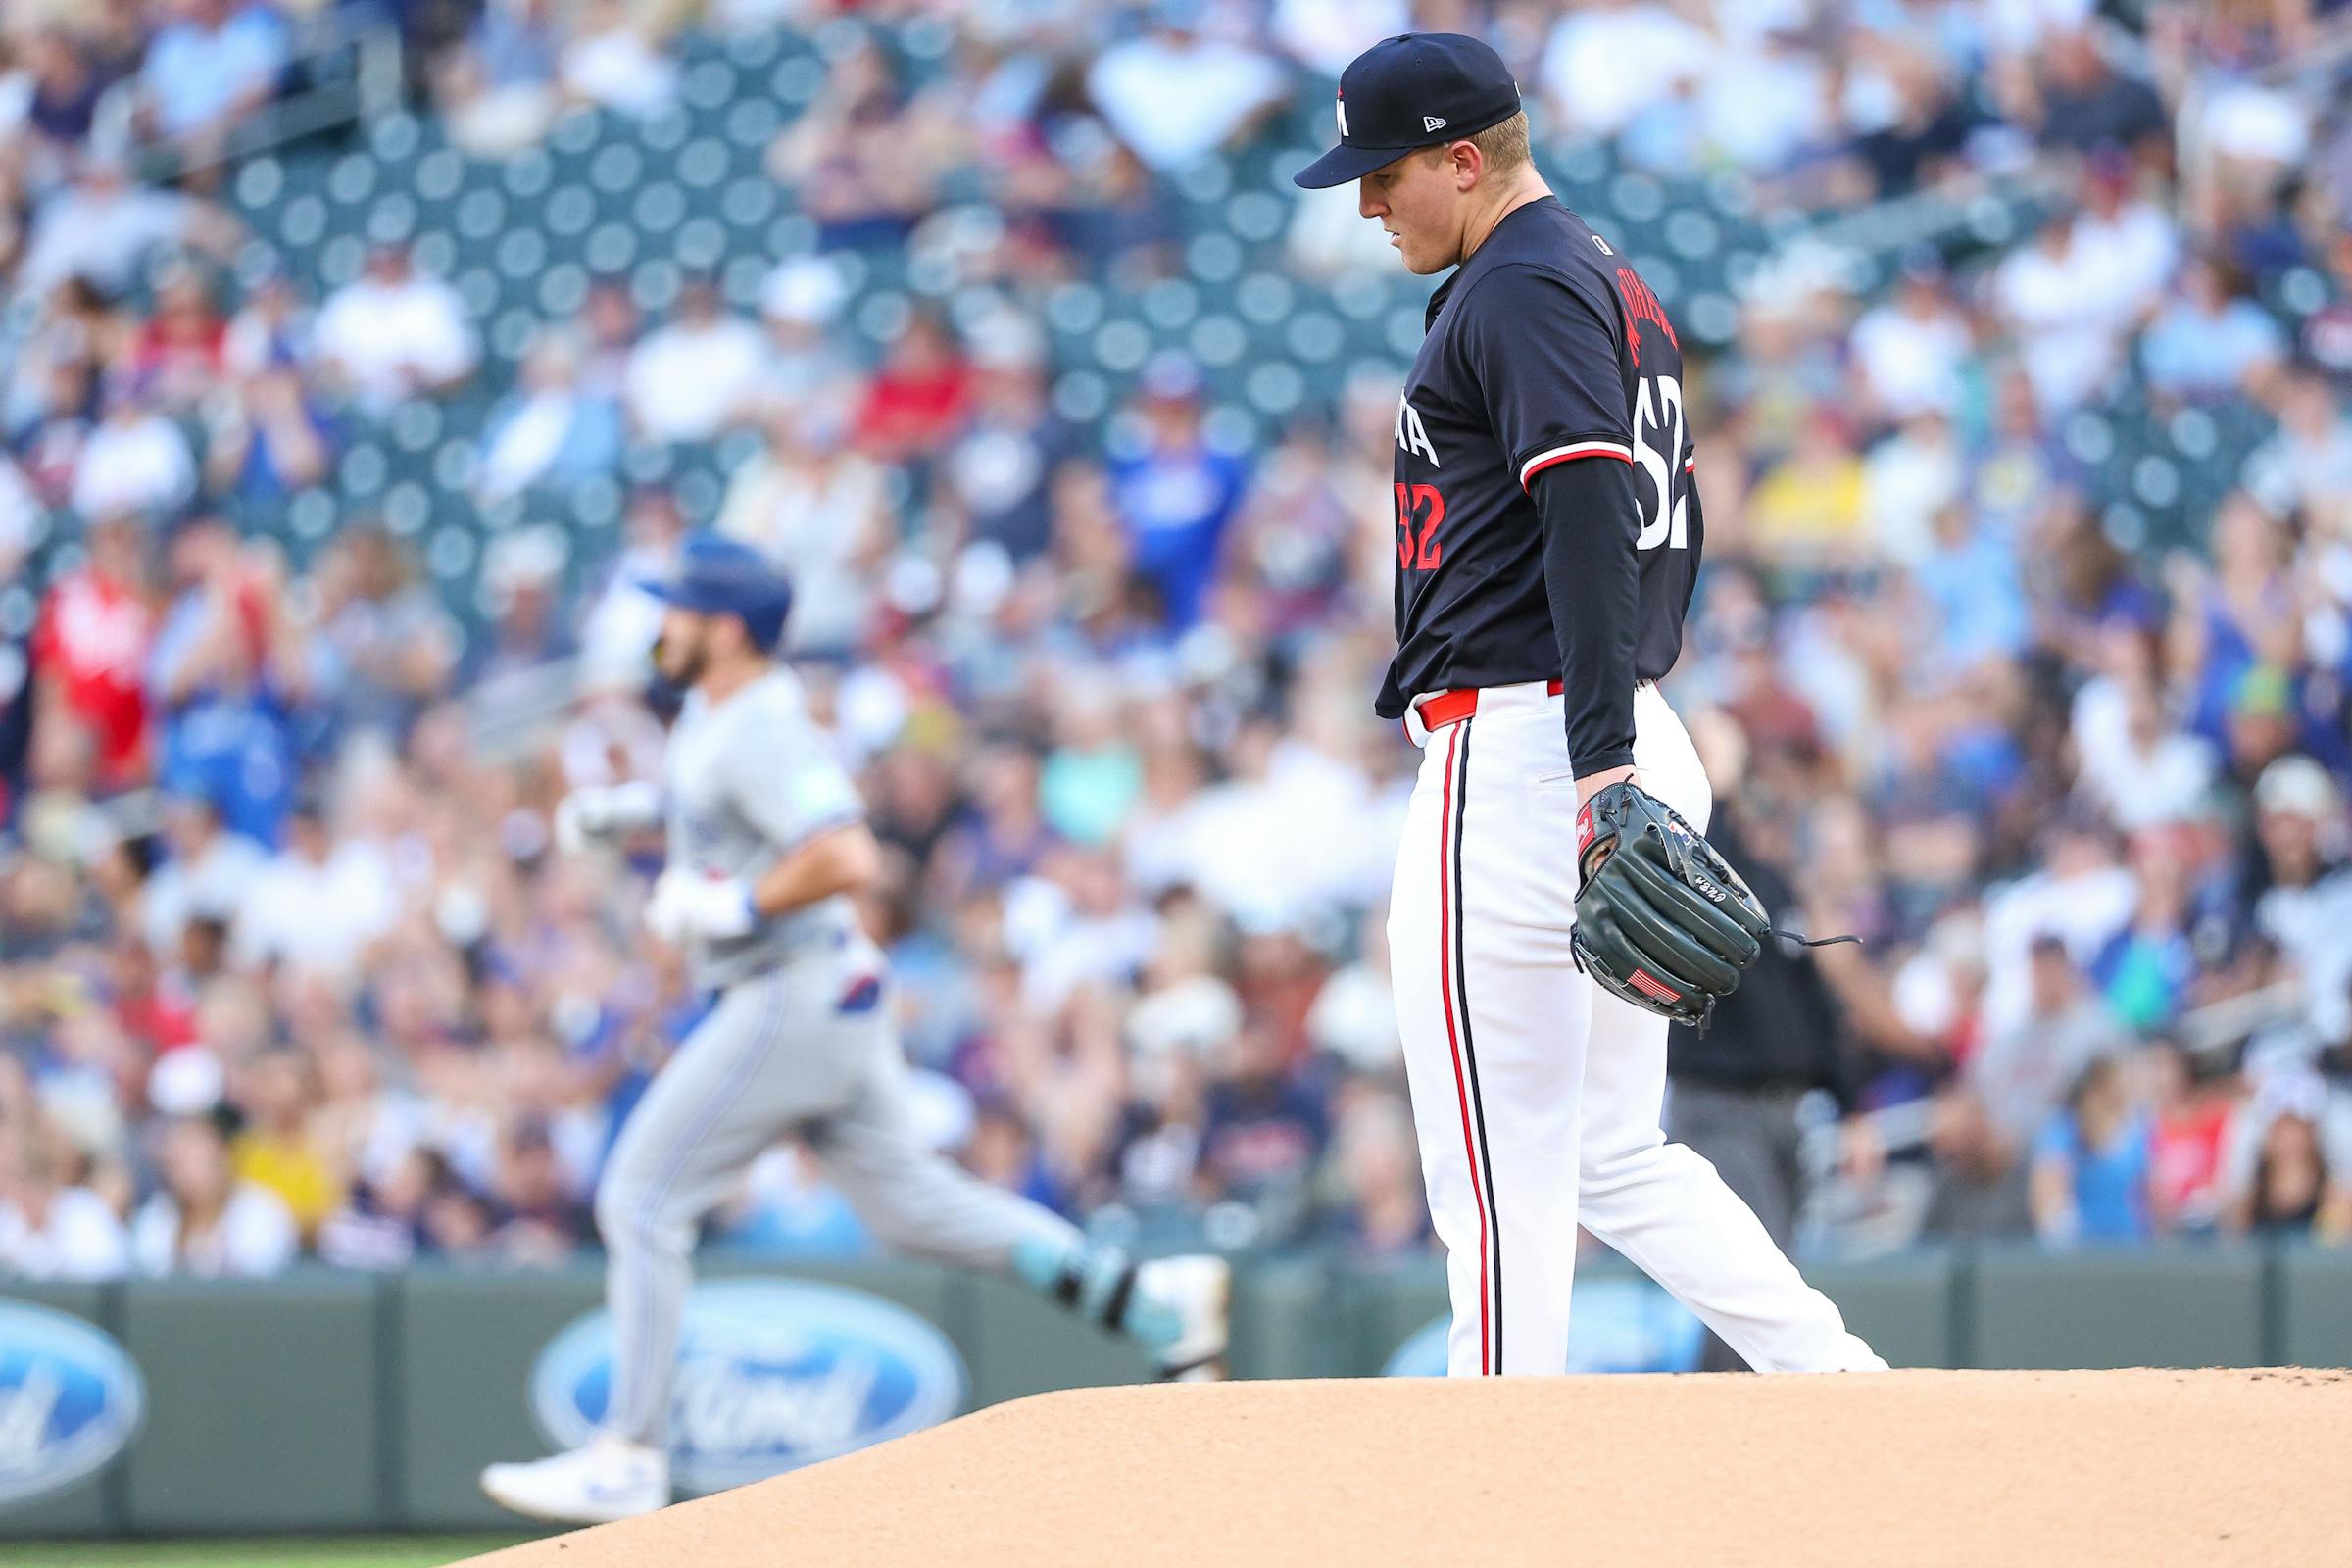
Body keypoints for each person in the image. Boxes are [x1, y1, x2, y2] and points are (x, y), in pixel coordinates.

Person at [1292, 33, 1883, 1378]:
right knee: (1614, 1154)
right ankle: (1846, 1389)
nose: (1370, 208)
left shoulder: (1521, 285)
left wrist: (1598, 768)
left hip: (1530, 745)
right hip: (1599, 725)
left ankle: (1501, 1496)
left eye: (1385, 178)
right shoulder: (1603, 277)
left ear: (1462, 155)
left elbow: (1589, 515)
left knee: (1498, 1181)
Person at [479, 536, 1227, 1525]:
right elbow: (713, 800)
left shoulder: (759, 721)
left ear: (726, 626)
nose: (660, 627)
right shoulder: (718, 712)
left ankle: (627, 1451)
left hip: (787, 987)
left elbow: (846, 853)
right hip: (822, 991)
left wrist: (738, 904)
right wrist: (631, 815)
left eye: (677, 610)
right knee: (916, 1209)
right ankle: (1152, 1303)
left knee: (641, 1197)